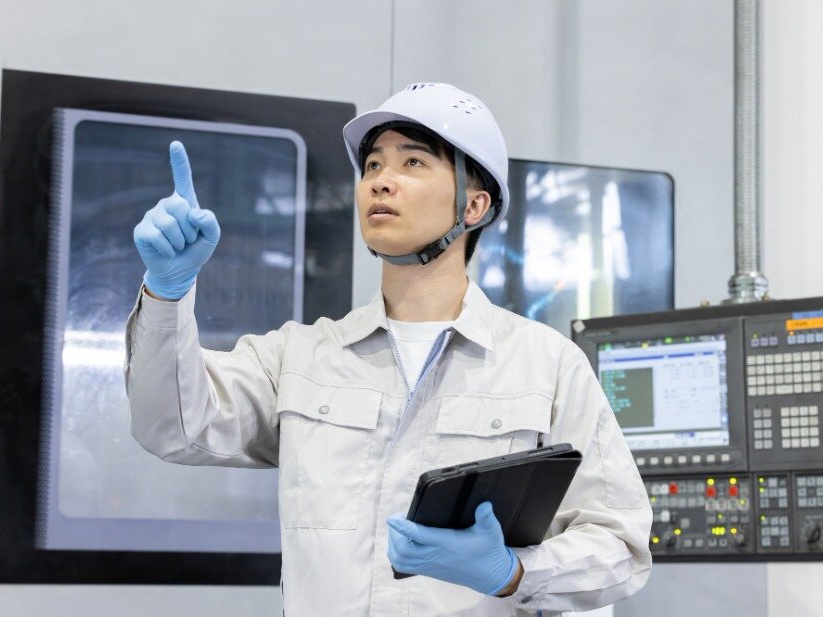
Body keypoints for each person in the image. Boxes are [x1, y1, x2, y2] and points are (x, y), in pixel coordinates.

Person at [126, 83, 652, 616]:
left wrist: (514, 572)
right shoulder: (299, 358)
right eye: (373, 164)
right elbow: (172, 426)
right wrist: (167, 293)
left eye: (413, 162)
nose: (380, 180)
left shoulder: (546, 365)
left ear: (474, 205)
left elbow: (621, 545)